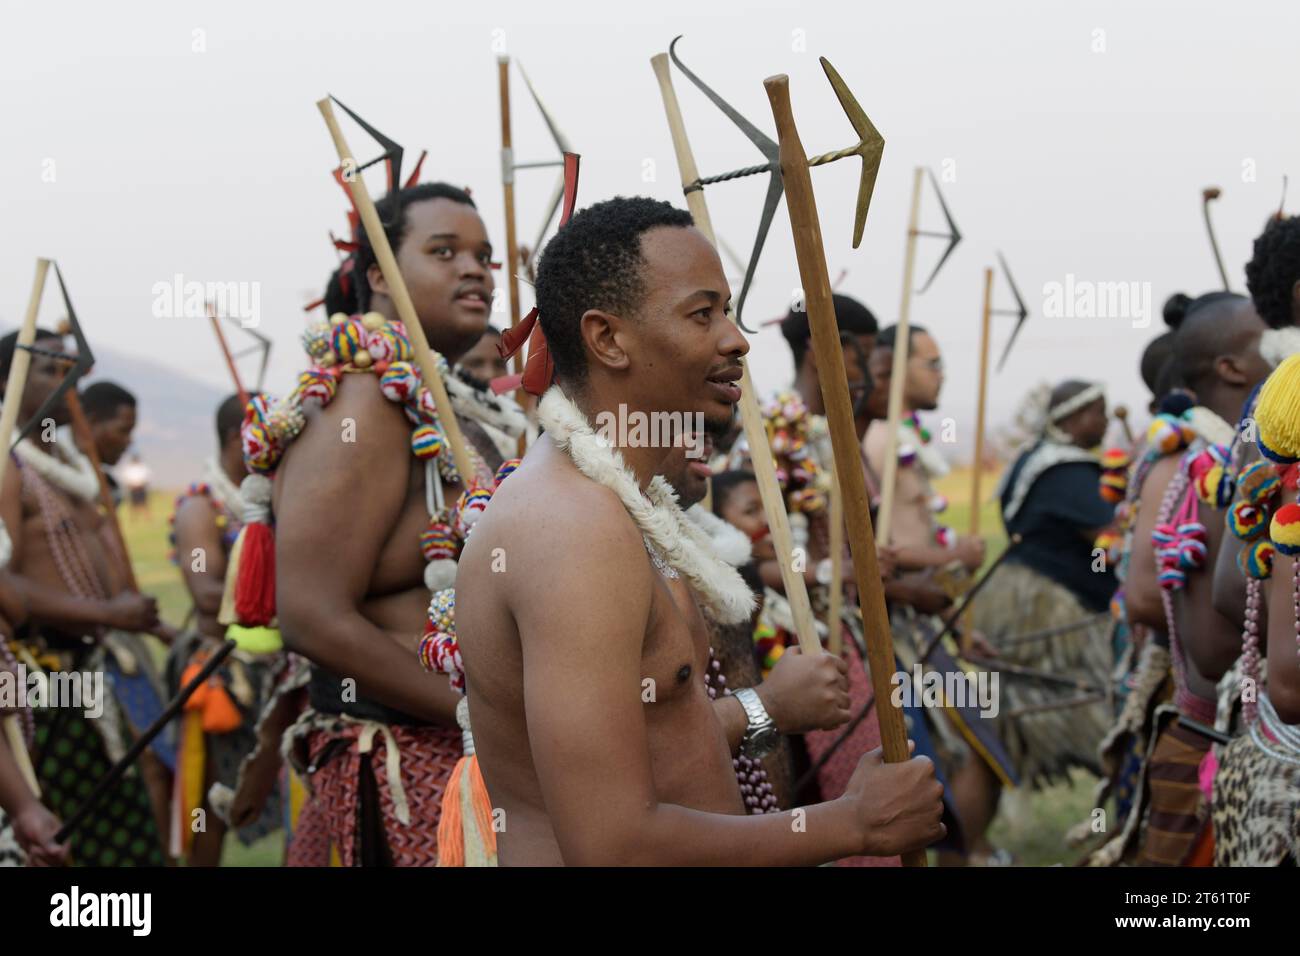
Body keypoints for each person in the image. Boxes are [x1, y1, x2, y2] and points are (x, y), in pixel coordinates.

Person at [457, 196, 945, 866]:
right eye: (702, 313)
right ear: (608, 339)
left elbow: (661, 734)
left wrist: (766, 711)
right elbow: (612, 847)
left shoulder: (626, 505)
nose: (737, 339)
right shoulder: (573, 528)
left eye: (729, 311)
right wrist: (853, 825)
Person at [255, 180, 510, 866]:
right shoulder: (363, 399)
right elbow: (309, 616)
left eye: (484, 256)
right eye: (444, 252)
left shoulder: (449, 402)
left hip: (475, 751)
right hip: (411, 767)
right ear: (377, 275)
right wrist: (485, 720)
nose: (475, 271)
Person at [0, 328, 165, 866]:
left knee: (122, 818)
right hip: (39, 679)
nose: (66, 377)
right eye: (49, 367)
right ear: (7, 382)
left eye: (69, 366)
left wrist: (144, 622)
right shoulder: (8, 467)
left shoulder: (73, 464)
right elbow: (5, 585)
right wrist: (107, 613)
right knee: (63, 833)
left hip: (89, 667)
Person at [972, 381, 1117, 796]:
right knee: (1078, 701)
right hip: (1046, 603)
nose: (1106, 420)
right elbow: (1110, 540)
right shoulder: (1068, 471)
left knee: (1023, 701)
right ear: (1072, 418)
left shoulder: (1033, 459)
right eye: (1098, 412)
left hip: (1019, 593)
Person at [167, 392, 285, 865]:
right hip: (224, 672)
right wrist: (292, 599)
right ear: (241, 437)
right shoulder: (201, 507)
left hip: (280, 669)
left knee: (294, 790)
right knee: (212, 800)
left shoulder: (275, 496)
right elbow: (206, 593)